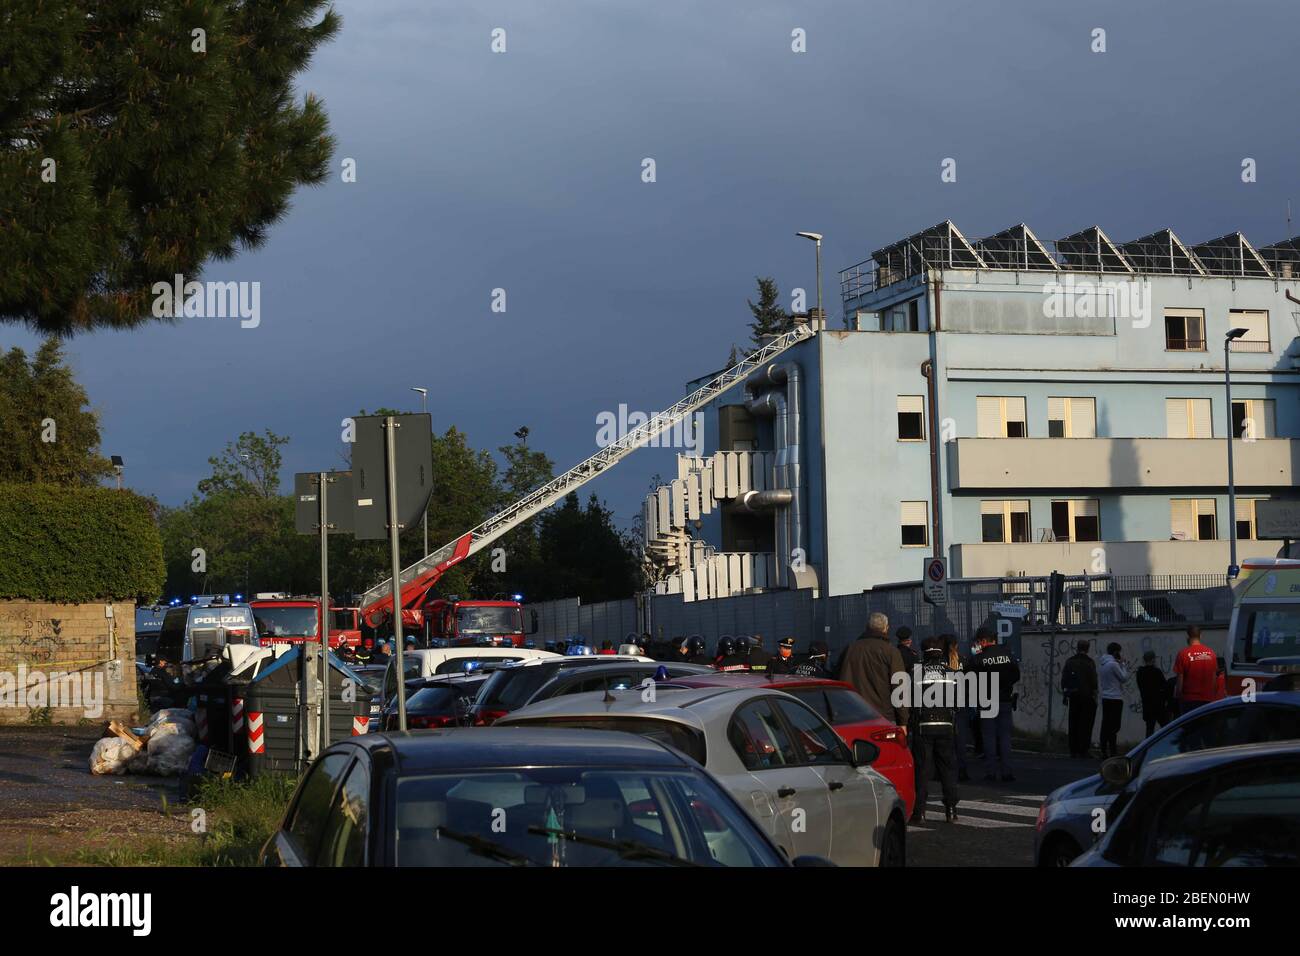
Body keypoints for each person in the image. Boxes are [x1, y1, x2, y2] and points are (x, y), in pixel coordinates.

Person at [910, 637, 961, 825]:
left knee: (922, 770)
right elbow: (959, 701)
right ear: (941, 652)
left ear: (924, 652)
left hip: (923, 727)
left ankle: (920, 812)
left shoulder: (916, 672)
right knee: (948, 769)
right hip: (946, 726)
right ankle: (951, 810)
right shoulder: (951, 672)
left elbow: (909, 700)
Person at [837, 612, 909, 729]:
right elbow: (899, 687)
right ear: (886, 628)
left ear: (867, 628)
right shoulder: (891, 651)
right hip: (883, 716)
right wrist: (903, 721)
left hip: (853, 713)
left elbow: (838, 678)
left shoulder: (850, 649)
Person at [967, 626, 1020, 782]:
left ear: (983, 641)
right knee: (1005, 737)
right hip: (1004, 699)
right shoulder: (1007, 654)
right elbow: (1016, 675)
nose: (977, 644)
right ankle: (1007, 772)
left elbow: (968, 675)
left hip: (987, 700)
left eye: (978, 642)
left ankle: (990, 772)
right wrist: (1005, 686)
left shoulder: (979, 657)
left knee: (989, 737)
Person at [1060, 639, 1098, 758]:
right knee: (1085, 724)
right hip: (1086, 697)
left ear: (1077, 647)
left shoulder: (1070, 661)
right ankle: (1083, 749)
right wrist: (1094, 694)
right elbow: (1093, 681)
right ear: (1087, 649)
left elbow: (1064, 679)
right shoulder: (1090, 662)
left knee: (1073, 723)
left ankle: (1073, 749)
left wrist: (1066, 693)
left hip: (1073, 695)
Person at [1173, 625, 1219, 716]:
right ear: (1201, 636)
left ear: (1187, 637)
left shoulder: (1183, 654)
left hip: (1189, 702)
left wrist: (1178, 697)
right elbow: (1214, 681)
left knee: (1190, 729)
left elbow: (1179, 685)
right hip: (1208, 700)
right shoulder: (1211, 653)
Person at [1098, 643, 1129, 758]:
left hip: (1106, 697)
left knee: (1105, 724)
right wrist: (1123, 664)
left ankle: (1103, 749)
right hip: (1115, 698)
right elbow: (1124, 678)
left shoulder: (1103, 664)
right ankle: (1113, 750)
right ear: (1116, 652)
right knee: (1115, 726)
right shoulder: (1113, 665)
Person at [1136, 651, 1170, 738]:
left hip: (1147, 704)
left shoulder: (1140, 672)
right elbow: (1165, 686)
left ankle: (1147, 749)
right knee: (1166, 728)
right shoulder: (1157, 672)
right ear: (1153, 659)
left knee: (1149, 729)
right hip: (1159, 705)